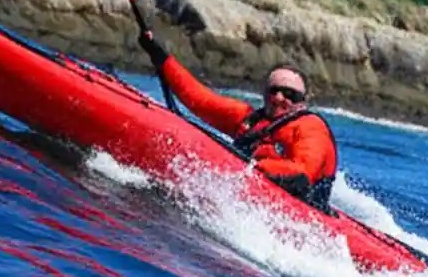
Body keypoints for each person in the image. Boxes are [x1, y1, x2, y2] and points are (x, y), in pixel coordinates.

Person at [137, 30, 338, 213]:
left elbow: (303, 173)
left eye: (289, 94)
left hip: (301, 212)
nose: (278, 98)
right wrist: (159, 56)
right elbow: (198, 99)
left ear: (303, 101)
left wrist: (257, 166)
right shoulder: (249, 119)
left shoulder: (312, 128)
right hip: (250, 187)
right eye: (273, 91)